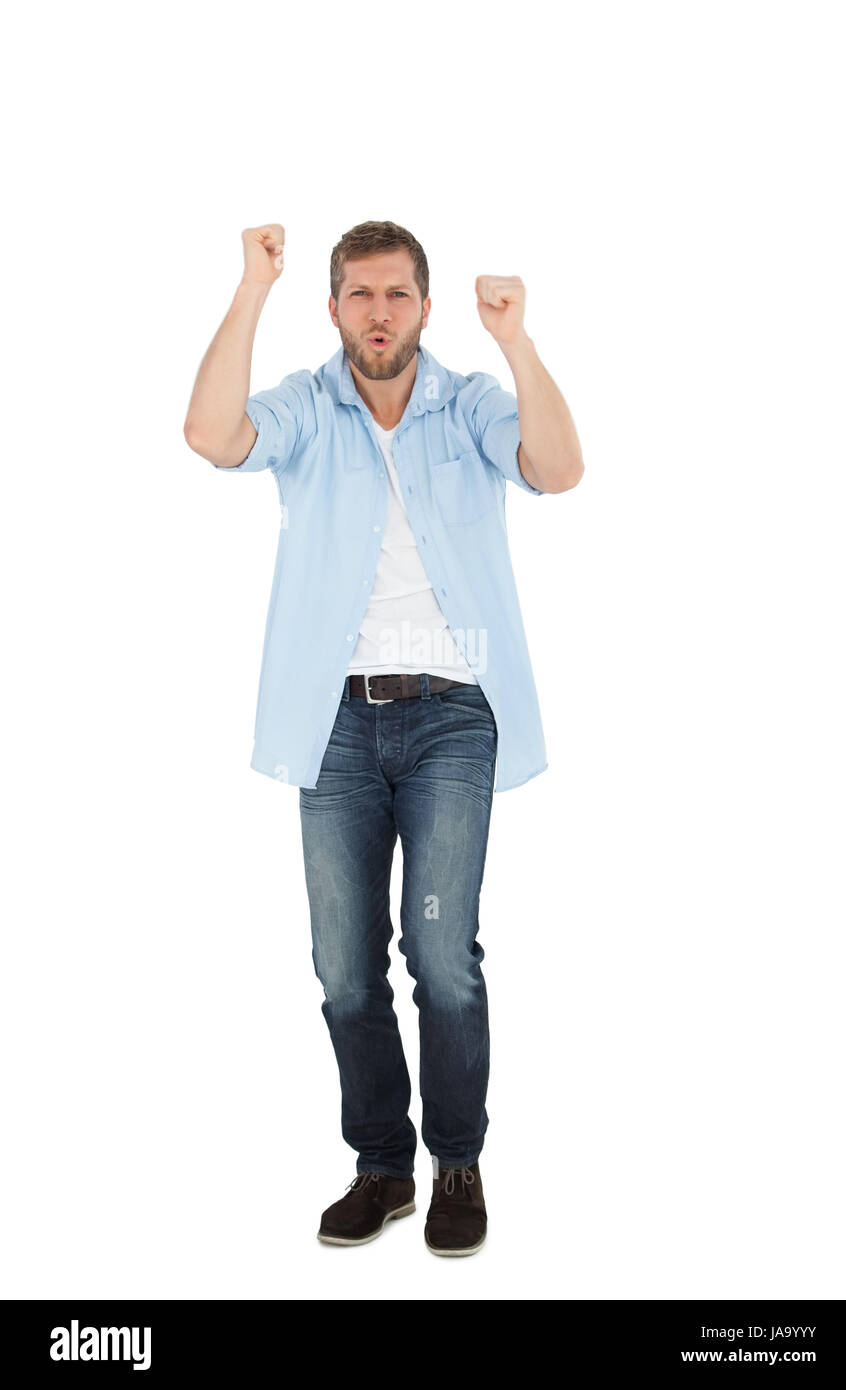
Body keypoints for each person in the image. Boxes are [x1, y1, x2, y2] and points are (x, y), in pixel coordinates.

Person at [183, 220, 584, 1257]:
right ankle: (381, 1166)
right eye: (358, 295)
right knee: (345, 966)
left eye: (395, 295)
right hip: (333, 726)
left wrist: (517, 341)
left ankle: (456, 1158)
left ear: (423, 305)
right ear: (333, 309)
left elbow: (559, 467)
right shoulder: (308, 409)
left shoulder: (469, 404)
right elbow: (210, 435)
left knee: (440, 953)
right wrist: (250, 285)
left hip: (453, 712)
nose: (377, 313)